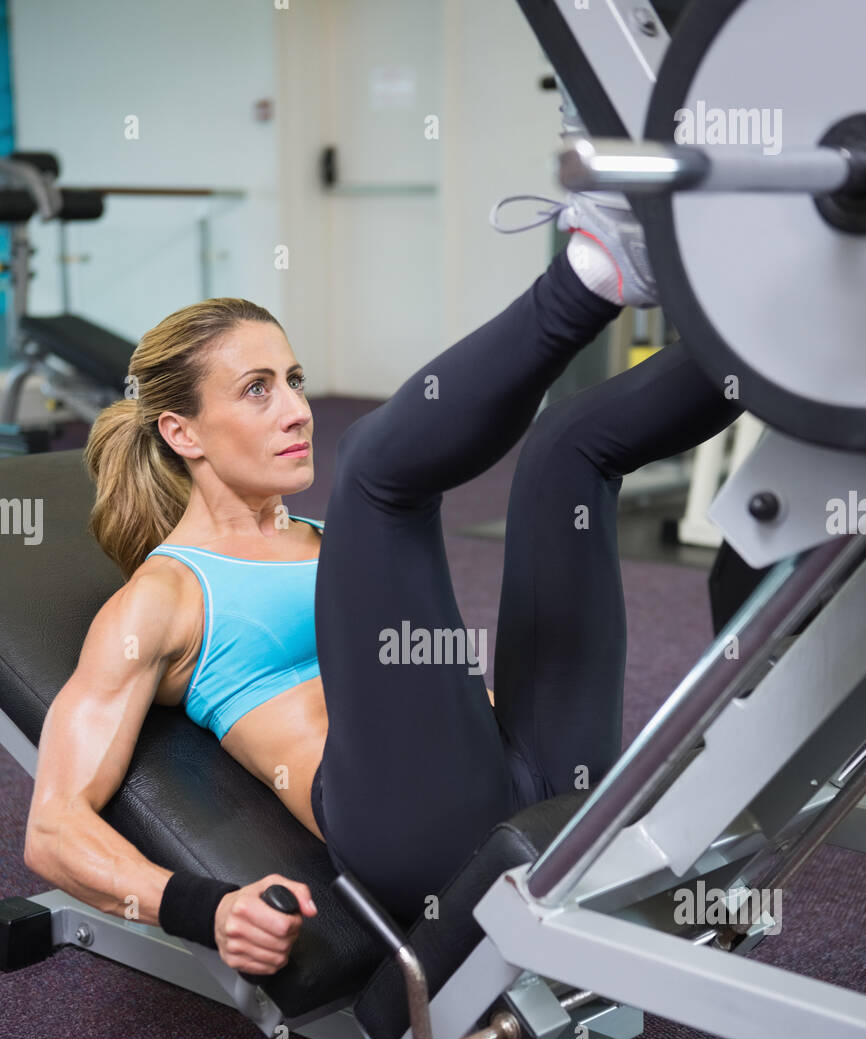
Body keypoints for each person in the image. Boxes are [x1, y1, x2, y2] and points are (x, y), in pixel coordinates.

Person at [24, 104, 742, 982]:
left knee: (568, 453)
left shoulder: (329, 543)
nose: (295, 410)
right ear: (183, 432)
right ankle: (595, 269)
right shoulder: (164, 597)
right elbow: (52, 827)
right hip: (420, 839)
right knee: (377, 472)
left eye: (293, 380)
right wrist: (200, 906)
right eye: (256, 391)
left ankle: (764, 318)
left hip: (540, 774)